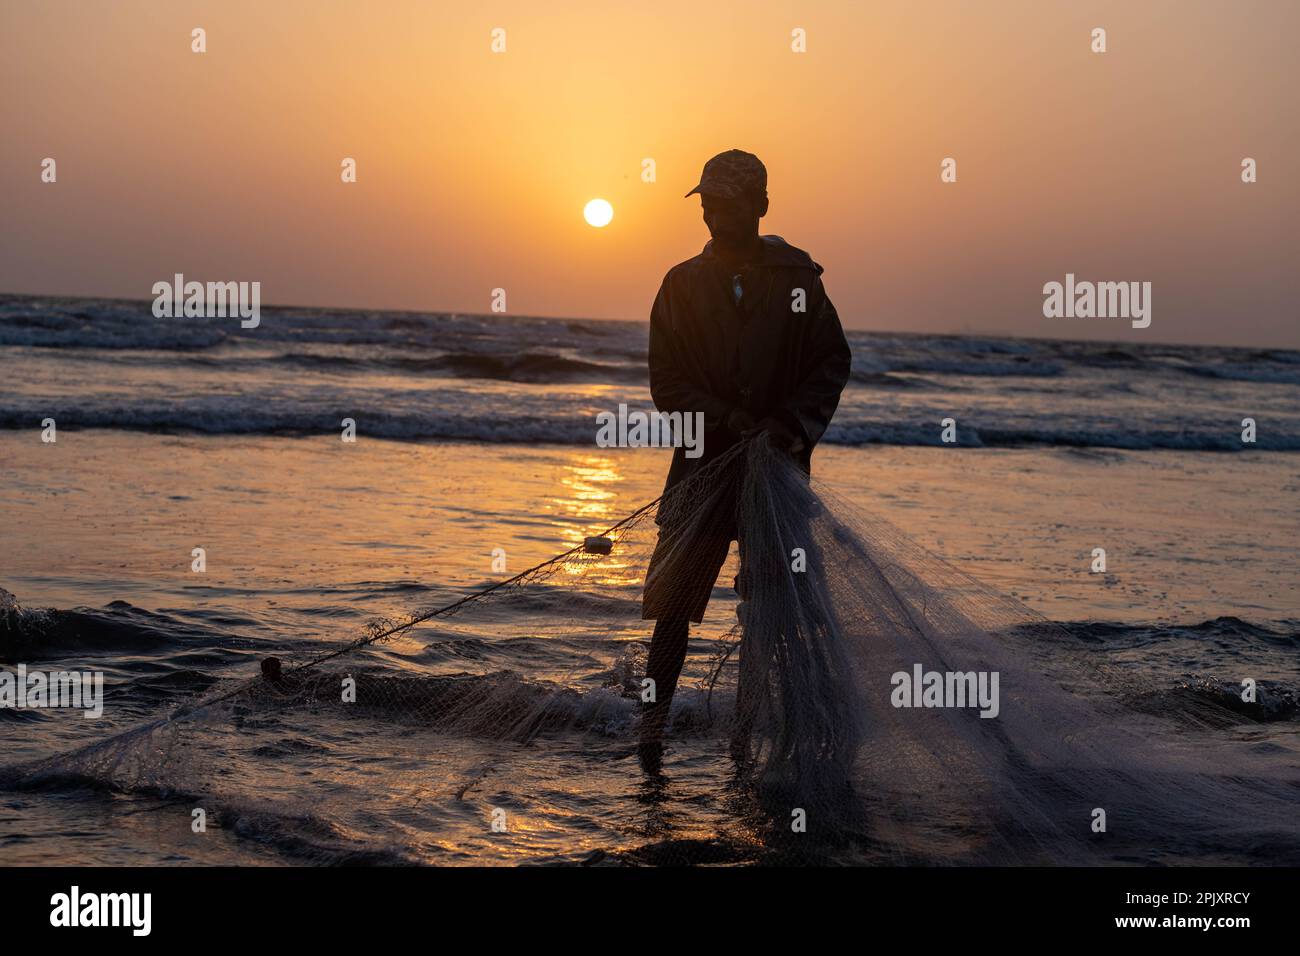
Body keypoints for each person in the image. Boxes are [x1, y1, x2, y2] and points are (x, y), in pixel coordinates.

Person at [639, 149, 852, 761]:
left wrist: (786, 426)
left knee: (768, 609)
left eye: (728, 204)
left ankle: (746, 740)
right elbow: (666, 381)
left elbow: (830, 363)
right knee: (672, 608)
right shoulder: (681, 285)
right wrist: (723, 416)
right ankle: (651, 731)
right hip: (700, 469)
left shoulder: (798, 283)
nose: (714, 215)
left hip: (775, 472)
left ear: (760, 205)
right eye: (707, 203)